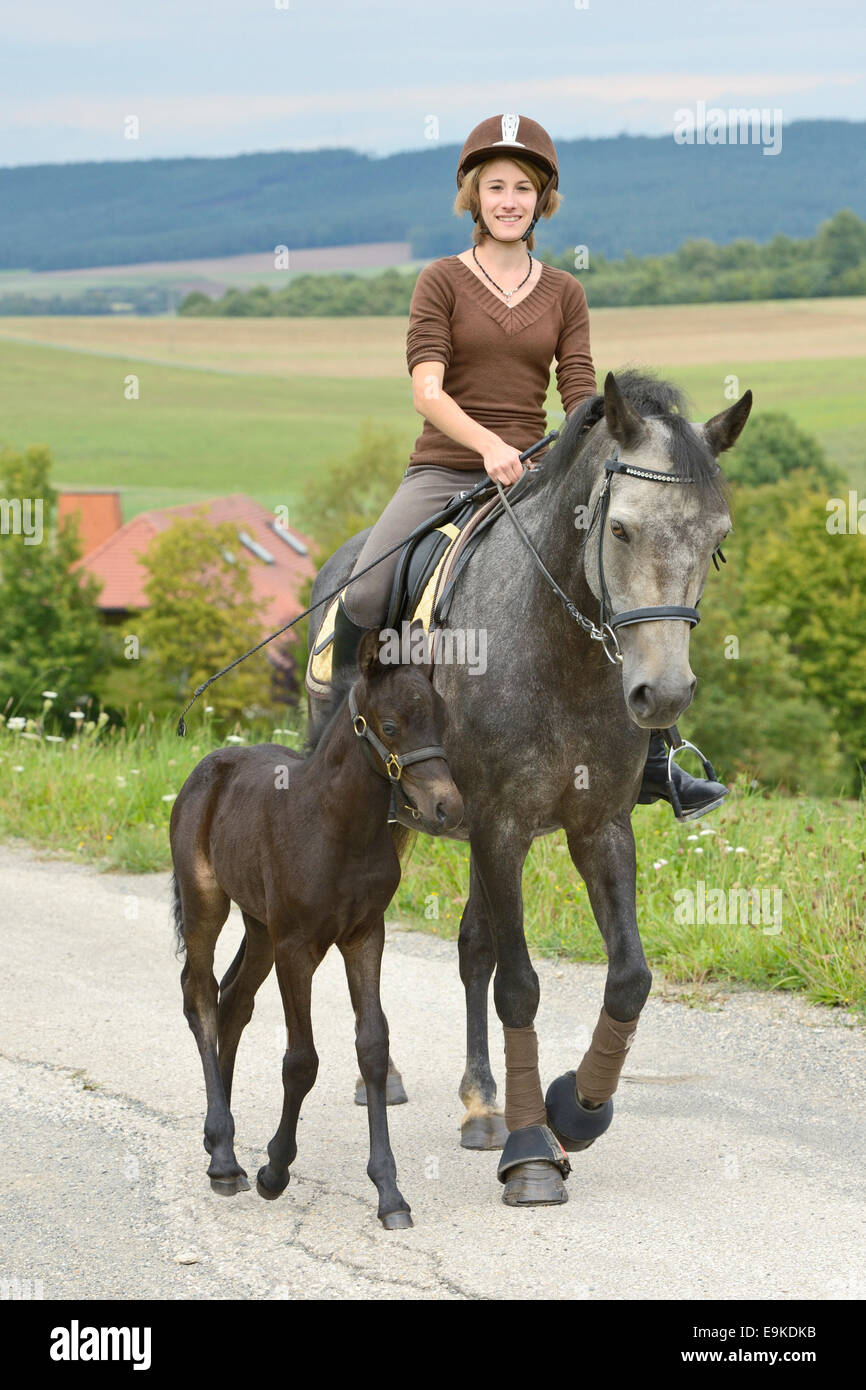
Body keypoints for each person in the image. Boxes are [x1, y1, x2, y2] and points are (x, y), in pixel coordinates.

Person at [328, 112, 727, 819]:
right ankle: (335, 751)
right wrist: (485, 445)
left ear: (542, 200)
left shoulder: (564, 292)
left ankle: (659, 758)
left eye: (523, 188)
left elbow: (580, 397)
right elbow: (427, 389)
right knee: (363, 593)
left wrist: (611, 445)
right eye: (495, 187)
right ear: (473, 197)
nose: (509, 200)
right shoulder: (440, 281)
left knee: (620, 578)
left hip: (536, 477)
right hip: (446, 470)